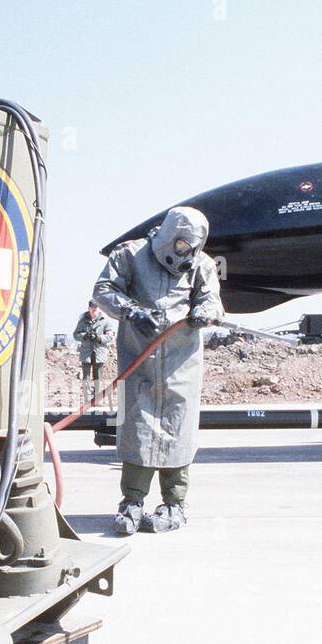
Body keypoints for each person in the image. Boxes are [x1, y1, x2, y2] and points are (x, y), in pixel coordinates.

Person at [92, 206, 223, 535]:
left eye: (193, 248)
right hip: (139, 361)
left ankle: (174, 504)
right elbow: (103, 291)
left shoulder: (202, 266)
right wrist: (132, 311)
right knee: (137, 428)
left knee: (178, 429)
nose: (187, 255)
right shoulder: (131, 255)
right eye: (182, 246)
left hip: (182, 365)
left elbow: (212, 300)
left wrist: (203, 312)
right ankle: (132, 502)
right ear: (168, 237)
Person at [72, 300, 115, 408]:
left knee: (98, 378)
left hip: (99, 352)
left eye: (95, 309)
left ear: (99, 309)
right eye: (92, 309)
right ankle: (87, 400)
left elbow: (110, 336)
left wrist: (99, 337)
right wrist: (85, 336)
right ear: (89, 308)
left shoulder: (105, 321)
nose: (93, 311)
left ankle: (97, 400)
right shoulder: (82, 321)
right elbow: (76, 335)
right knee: (86, 377)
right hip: (86, 352)